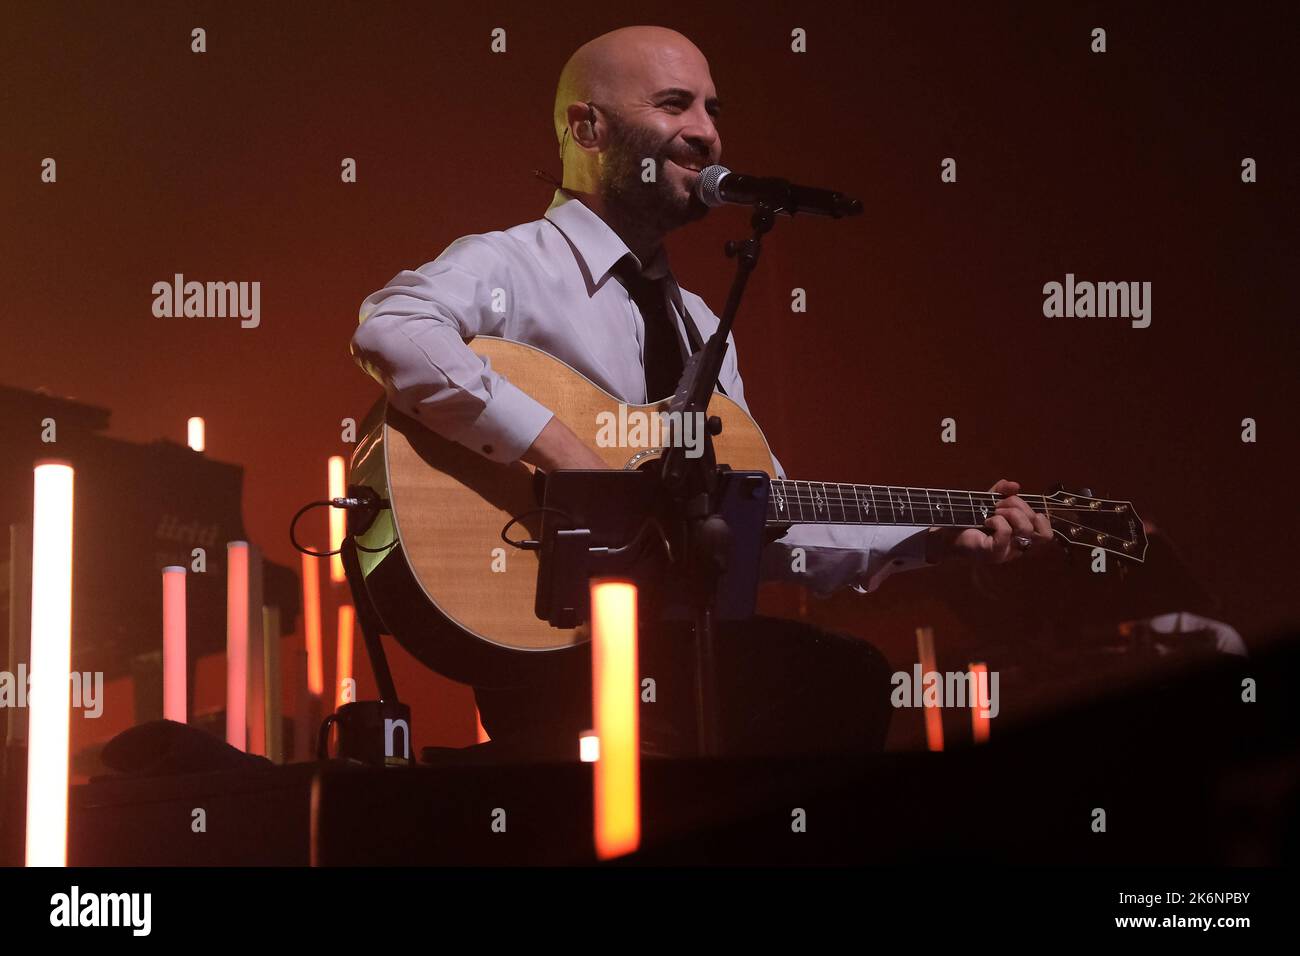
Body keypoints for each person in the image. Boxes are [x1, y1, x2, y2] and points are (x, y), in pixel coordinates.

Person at [349, 25, 1052, 758]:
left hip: (678, 647)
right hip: (549, 643)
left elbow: (763, 523)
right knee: (836, 680)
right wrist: (571, 458)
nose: (708, 135)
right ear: (587, 126)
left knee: (827, 678)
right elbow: (391, 330)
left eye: (714, 110)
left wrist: (935, 536)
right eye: (676, 104)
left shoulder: (704, 327)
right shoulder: (511, 265)